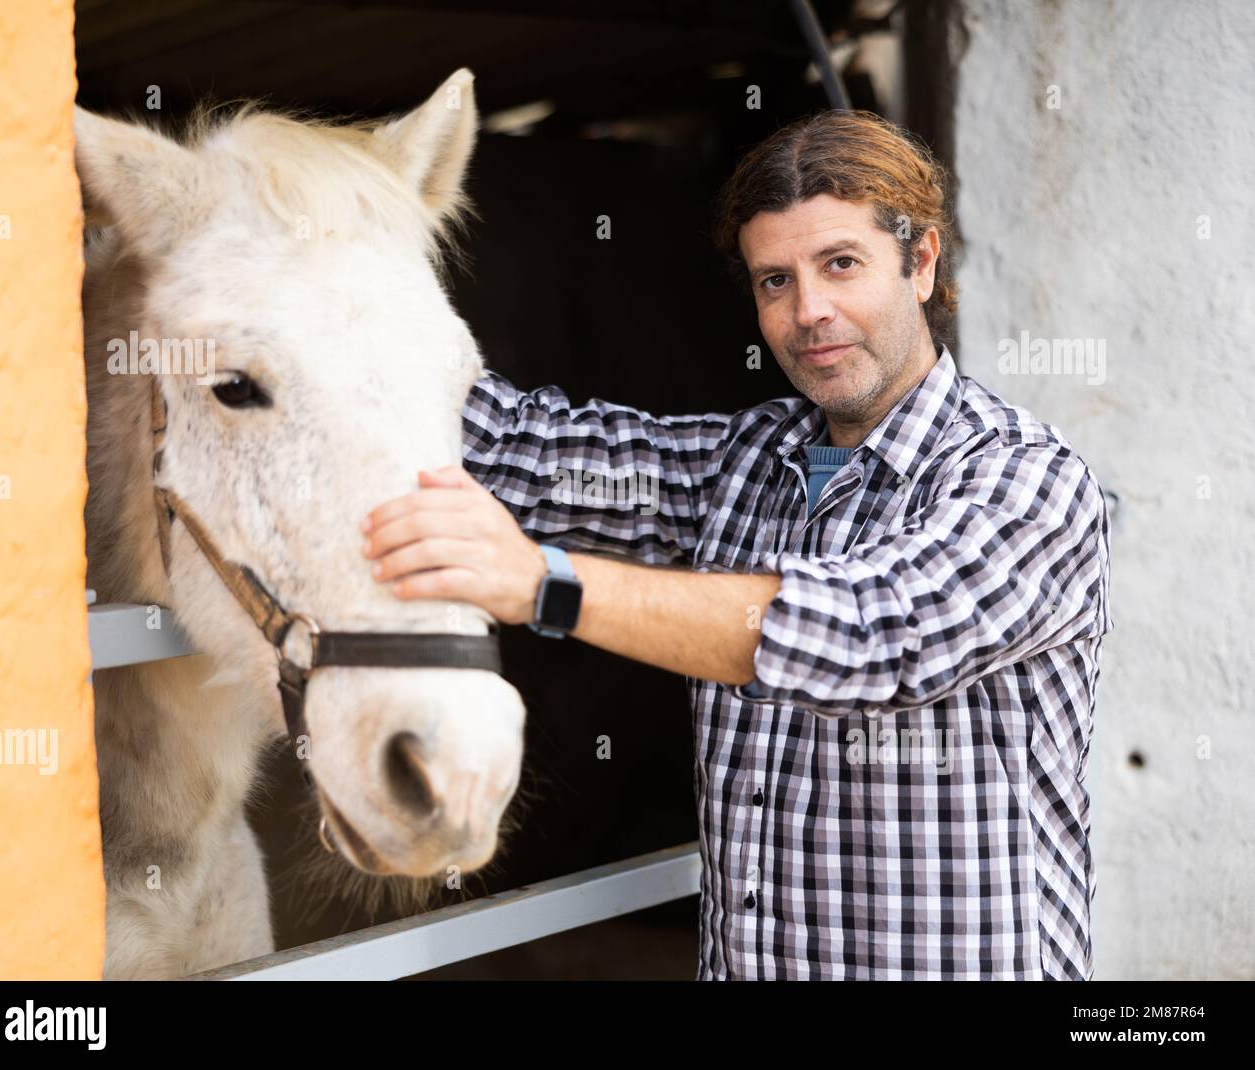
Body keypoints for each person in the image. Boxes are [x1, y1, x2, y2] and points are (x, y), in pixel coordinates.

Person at [358, 109, 1113, 980]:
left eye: (840, 265)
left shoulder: (1028, 483)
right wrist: (334, 314)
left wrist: (546, 585)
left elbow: (864, 637)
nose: (810, 312)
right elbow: (535, 452)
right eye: (774, 281)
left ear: (922, 262)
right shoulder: (747, 463)